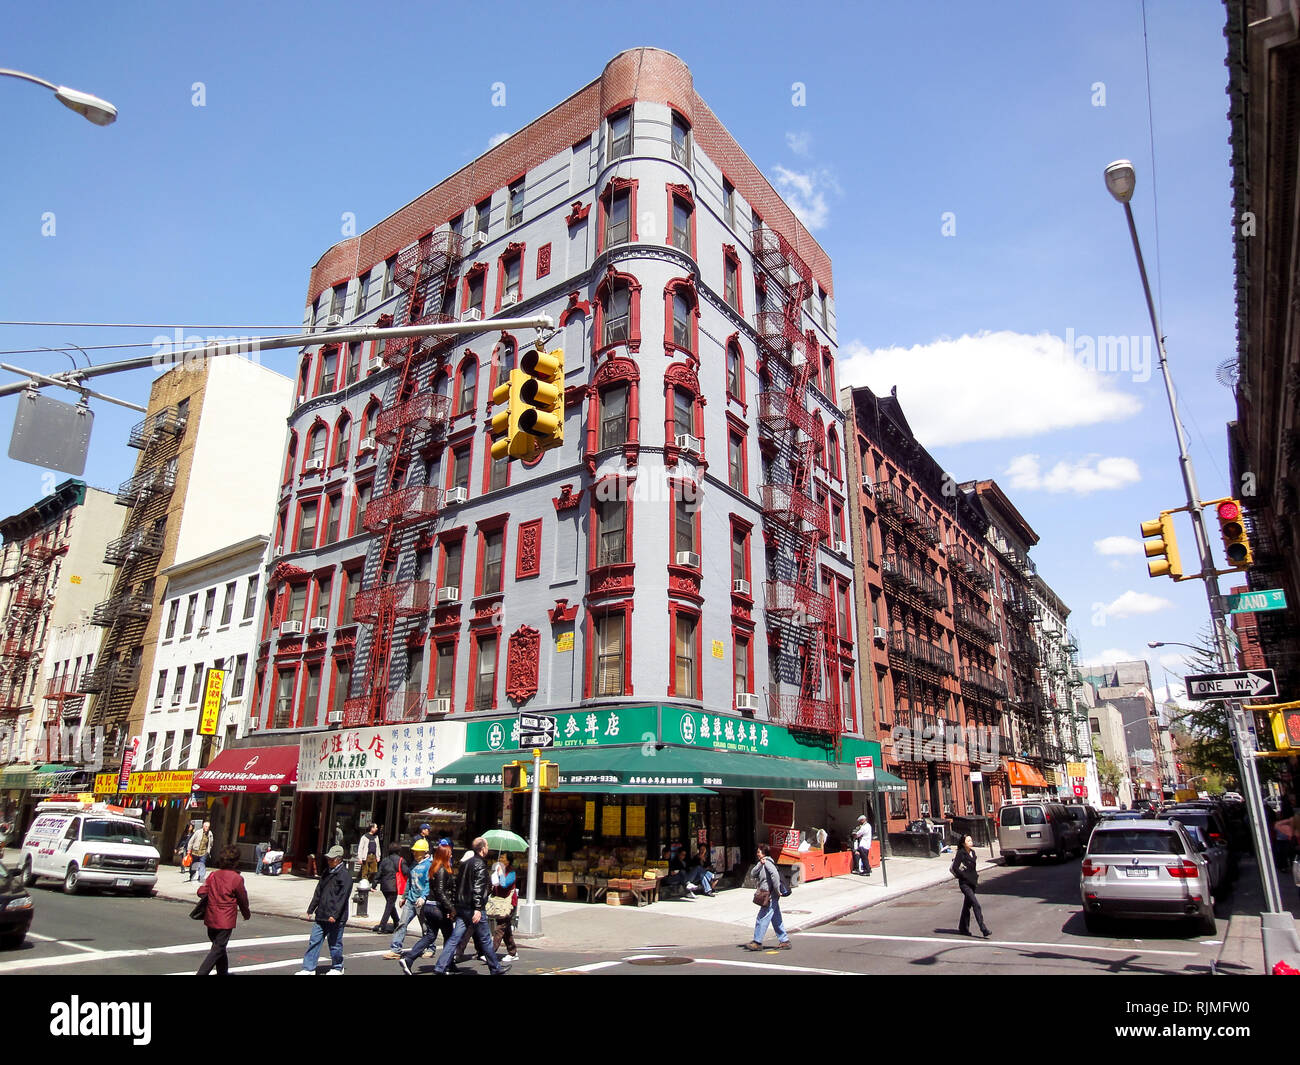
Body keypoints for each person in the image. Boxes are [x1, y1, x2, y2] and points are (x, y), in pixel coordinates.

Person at [433, 837, 510, 975]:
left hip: (462, 907)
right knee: (485, 938)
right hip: (472, 907)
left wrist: (456, 906)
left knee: (455, 938)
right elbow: (478, 888)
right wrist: (478, 908)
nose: (488, 848)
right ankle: (495, 968)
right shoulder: (479, 864)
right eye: (486, 846)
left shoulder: (465, 864)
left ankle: (440, 966)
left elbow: (458, 885)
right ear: (482, 849)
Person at [397, 843, 457, 974]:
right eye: (450, 853)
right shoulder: (441, 869)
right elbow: (440, 892)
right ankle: (446, 965)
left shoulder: (434, 868)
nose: (452, 855)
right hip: (437, 907)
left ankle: (409, 959)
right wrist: (451, 909)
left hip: (429, 906)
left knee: (430, 935)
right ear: (445, 855)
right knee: (449, 936)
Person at [296, 844, 352, 974]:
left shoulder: (345, 875)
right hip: (321, 913)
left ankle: (338, 967)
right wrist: (310, 910)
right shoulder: (327, 872)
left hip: (335, 917)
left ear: (339, 859)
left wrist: (334, 915)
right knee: (314, 941)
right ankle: (308, 968)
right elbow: (318, 892)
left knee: (335, 944)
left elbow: (342, 898)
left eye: (331, 859)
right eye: (328, 858)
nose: (329, 861)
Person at [195, 845, 250, 976]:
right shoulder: (236, 878)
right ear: (235, 861)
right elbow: (243, 899)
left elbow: (201, 891)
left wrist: (213, 896)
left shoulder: (213, 875)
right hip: (225, 920)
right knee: (217, 949)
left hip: (211, 917)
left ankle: (223, 972)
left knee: (219, 947)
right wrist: (246, 913)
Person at [383, 839, 429, 959]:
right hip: (410, 900)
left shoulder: (429, 865)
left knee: (426, 927)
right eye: (414, 851)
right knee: (402, 923)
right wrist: (404, 896)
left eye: (417, 851)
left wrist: (423, 897)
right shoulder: (413, 864)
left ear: (424, 852)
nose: (414, 853)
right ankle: (395, 949)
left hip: (421, 902)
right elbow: (409, 881)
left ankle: (430, 948)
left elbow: (429, 883)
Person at [744, 843, 790, 950]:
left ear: (764, 853)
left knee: (762, 917)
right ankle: (784, 941)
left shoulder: (768, 863)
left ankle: (757, 942)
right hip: (770, 894)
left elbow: (775, 875)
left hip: (770, 895)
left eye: (759, 852)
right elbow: (752, 873)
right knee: (776, 918)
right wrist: (760, 864)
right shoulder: (762, 863)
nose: (757, 854)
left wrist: (777, 890)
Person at [950, 834, 991, 938]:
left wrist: (975, 877)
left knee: (967, 906)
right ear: (964, 843)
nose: (970, 842)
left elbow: (972, 869)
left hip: (973, 883)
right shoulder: (961, 853)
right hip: (965, 884)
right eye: (968, 841)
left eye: (971, 840)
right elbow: (955, 868)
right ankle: (983, 928)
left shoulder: (973, 852)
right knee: (976, 904)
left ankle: (963, 928)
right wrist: (963, 876)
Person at [489, 852, 519, 963]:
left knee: (500, 928)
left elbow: (505, 884)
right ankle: (513, 952)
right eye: (500, 857)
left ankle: (490, 953)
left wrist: (501, 874)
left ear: (508, 861)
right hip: (498, 903)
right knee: (506, 929)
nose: (500, 859)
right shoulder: (498, 869)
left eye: (503, 857)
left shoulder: (511, 873)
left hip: (508, 904)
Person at [373, 843, 406, 934]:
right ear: (398, 851)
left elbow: (379, 873)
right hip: (394, 886)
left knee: (390, 904)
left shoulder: (384, 860)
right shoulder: (401, 860)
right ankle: (382, 926)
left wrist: (374, 885)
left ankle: (396, 922)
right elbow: (406, 872)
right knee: (389, 906)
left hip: (384, 886)